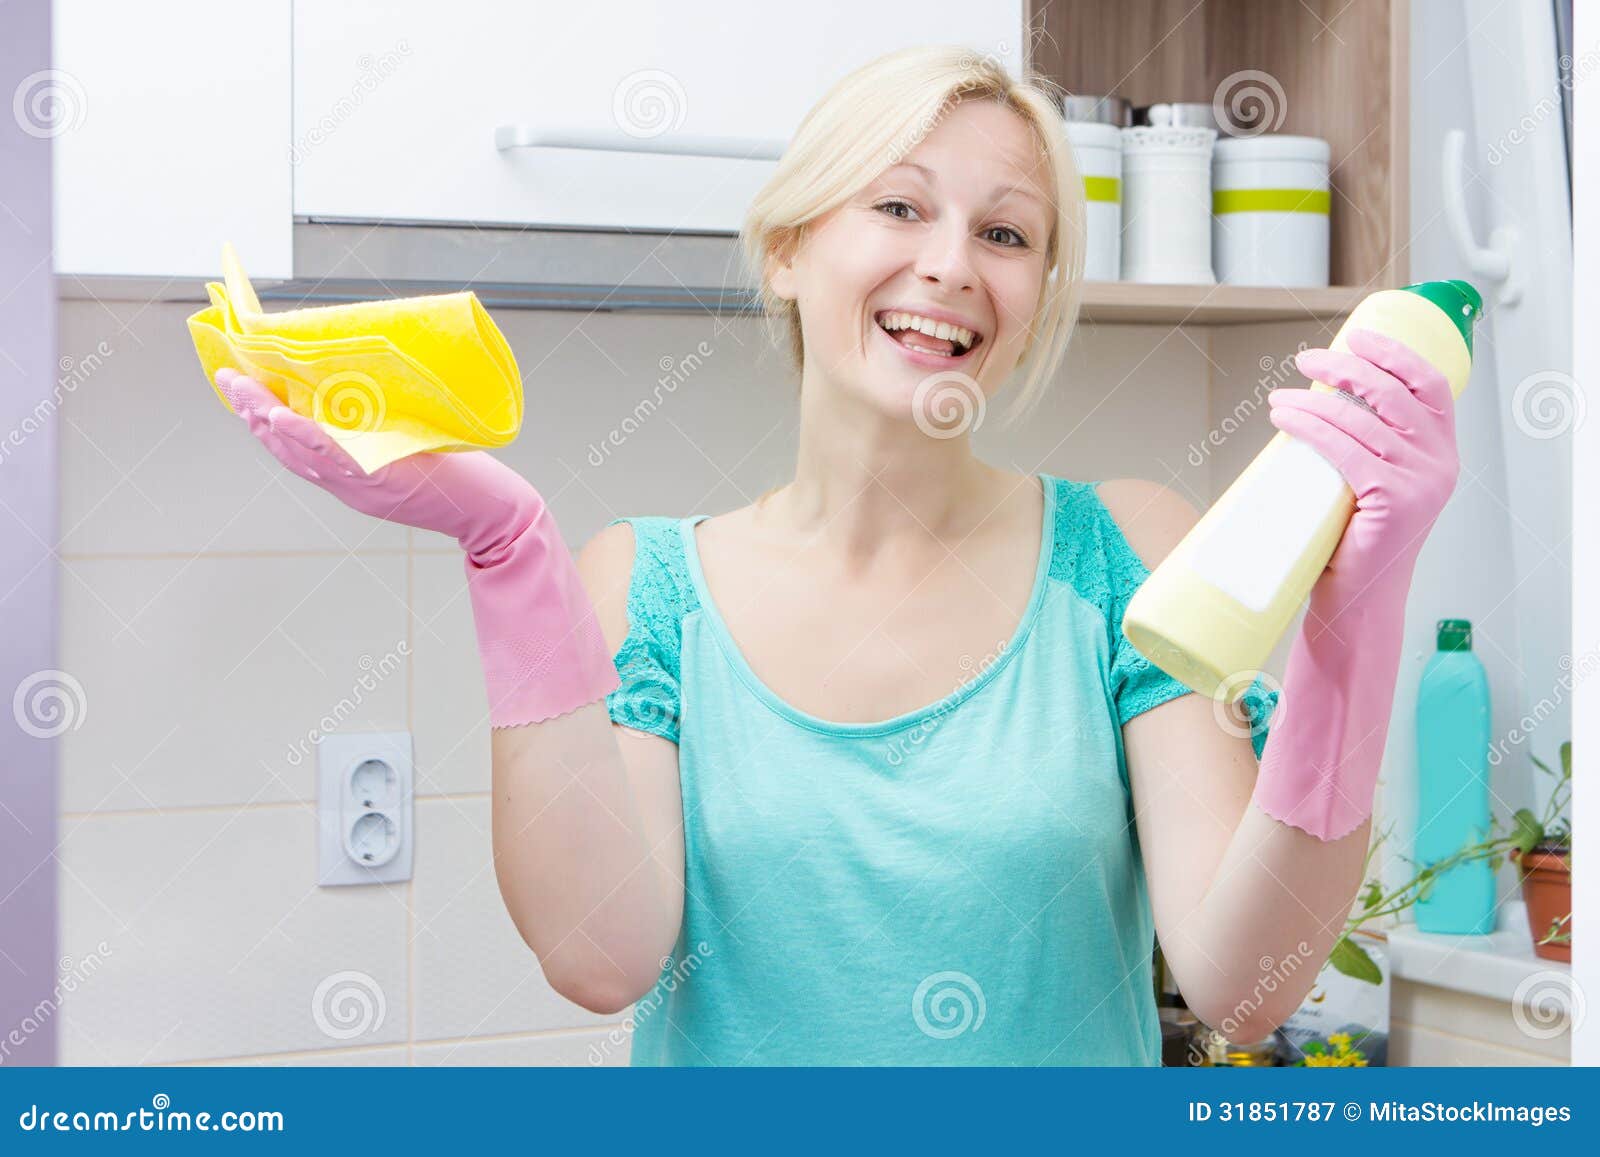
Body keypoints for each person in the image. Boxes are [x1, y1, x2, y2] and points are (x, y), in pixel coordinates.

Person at [215, 45, 1460, 1065]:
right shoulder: (640, 584)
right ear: (786, 248)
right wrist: (506, 549)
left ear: (1036, 299)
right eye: (899, 206)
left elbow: (1244, 984)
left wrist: (1356, 611)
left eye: (1006, 234)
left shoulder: (1125, 553)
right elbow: (599, 957)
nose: (949, 264)